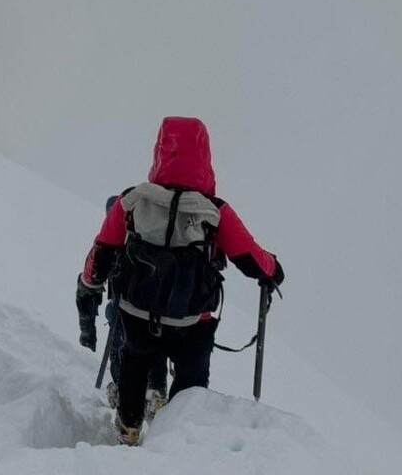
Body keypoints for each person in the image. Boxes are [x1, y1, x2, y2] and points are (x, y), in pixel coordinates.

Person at [75, 117, 284, 445]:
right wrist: (272, 270)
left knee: (135, 358)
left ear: (160, 150)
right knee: (191, 377)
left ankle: (128, 429)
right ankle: (176, 441)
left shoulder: (134, 199)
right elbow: (251, 258)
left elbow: (101, 253)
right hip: (190, 322)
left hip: (138, 313)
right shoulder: (215, 211)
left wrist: (90, 283)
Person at [78, 196, 168, 416]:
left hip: (127, 308)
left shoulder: (109, 243)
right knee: (154, 336)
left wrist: (87, 331)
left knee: (119, 326)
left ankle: (122, 388)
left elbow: (87, 284)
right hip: (158, 310)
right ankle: (155, 389)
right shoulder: (151, 241)